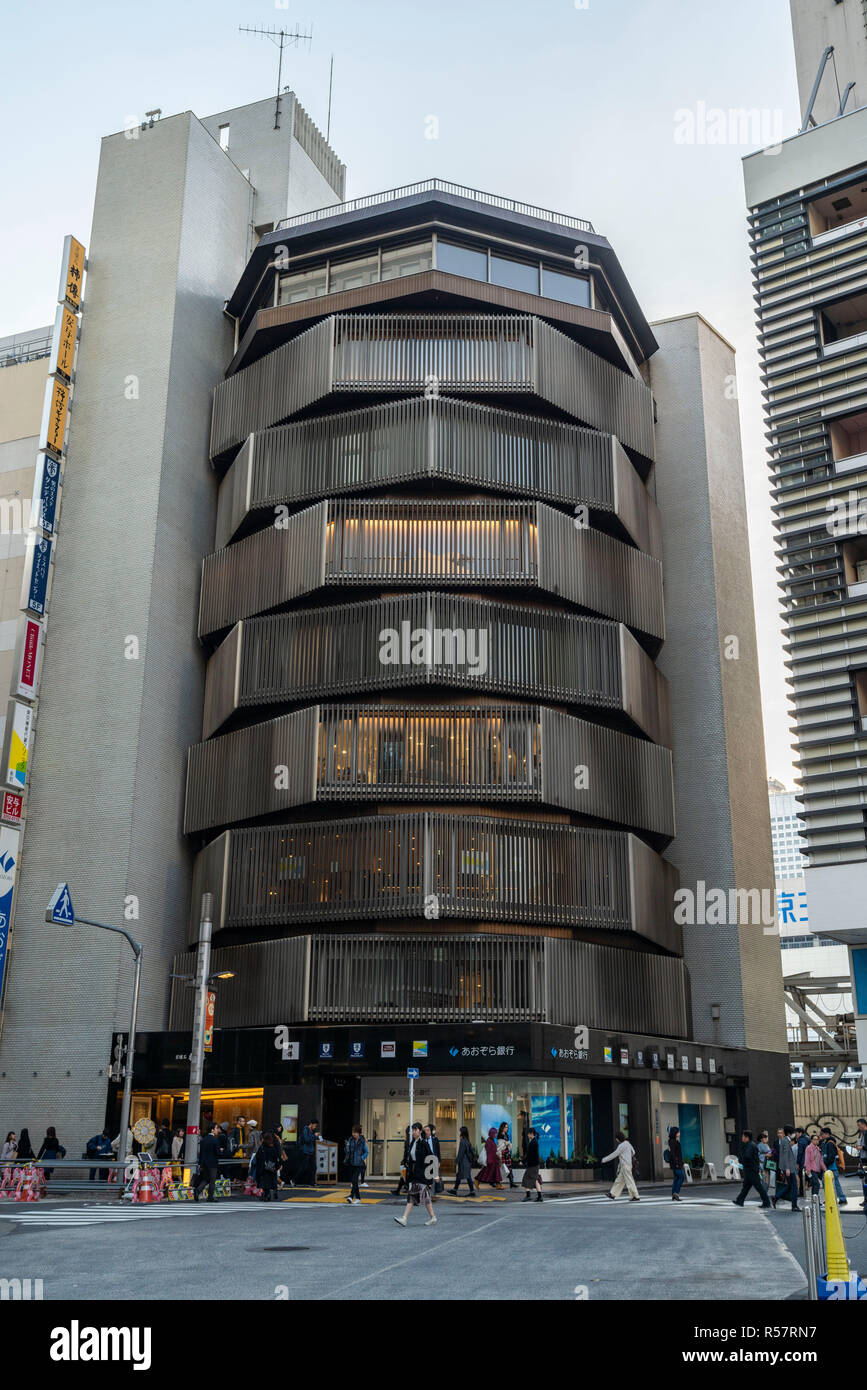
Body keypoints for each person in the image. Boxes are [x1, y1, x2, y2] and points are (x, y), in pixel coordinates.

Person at [393, 1122, 436, 1227]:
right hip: (414, 1173)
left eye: (415, 1130)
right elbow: (411, 1159)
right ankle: (433, 1217)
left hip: (421, 1174)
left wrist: (433, 1175)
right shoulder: (412, 1143)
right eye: (412, 1130)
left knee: (412, 1195)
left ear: (420, 1131)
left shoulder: (424, 1144)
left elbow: (431, 1159)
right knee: (426, 1197)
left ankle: (404, 1218)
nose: (413, 1132)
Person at [732, 1129, 771, 1209]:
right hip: (750, 1169)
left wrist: (740, 1160)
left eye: (743, 1136)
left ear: (747, 1137)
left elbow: (747, 1156)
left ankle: (766, 1202)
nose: (742, 1138)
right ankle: (740, 1200)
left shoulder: (750, 1145)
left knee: (759, 1187)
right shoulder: (749, 1145)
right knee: (746, 1187)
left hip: (752, 1170)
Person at [603, 1130, 640, 1202]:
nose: (616, 1140)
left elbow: (614, 1154)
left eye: (616, 1138)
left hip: (625, 1165)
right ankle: (612, 1194)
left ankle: (636, 1196)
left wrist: (604, 1159)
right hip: (627, 1165)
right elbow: (633, 1152)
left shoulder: (621, 1146)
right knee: (619, 1180)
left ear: (618, 1138)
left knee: (629, 1181)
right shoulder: (628, 1143)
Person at [817, 1127, 847, 1206]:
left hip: (829, 1169)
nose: (821, 1136)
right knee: (836, 1184)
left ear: (827, 1134)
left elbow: (830, 1157)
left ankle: (830, 1200)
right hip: (833, 1168)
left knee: (827, 1185)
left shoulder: (829, 1143)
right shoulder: (828, 1142)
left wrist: (824, 1166)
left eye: (822, 1134)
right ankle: (842, 1198)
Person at [192, 1123, 222, 1202]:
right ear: (212, 1130)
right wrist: (221, 1151)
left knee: (206, 1179)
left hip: (204, 1163)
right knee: (212, 1180)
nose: (217, 1130)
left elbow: (201, 1153)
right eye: (216, 1128)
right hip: (213, 1163)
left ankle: (198, 1190)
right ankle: (210, 1197)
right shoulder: (215, 1140)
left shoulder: (203, 1140)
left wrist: (200, 1164)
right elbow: (218, 1153)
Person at [773, 1126, 800, 1212]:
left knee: (790, 1186)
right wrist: (787, 1168)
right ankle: (794, 1206)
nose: (795, 1134)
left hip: (789, 1167)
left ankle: (776, 1197)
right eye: (793, 1133)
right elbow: (784, 1156)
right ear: (789, 1133)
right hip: (788, 1168)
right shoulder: (785, 1141)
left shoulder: (786, 1141)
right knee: (794, 1187)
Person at [345, 1125, 368, 1204]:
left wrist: (362, 1158)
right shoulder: (350, 1140)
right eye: (353, 1132)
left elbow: (366, 1152)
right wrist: (346, 1149)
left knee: (354, 1180)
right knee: (354, 1182)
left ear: (359, 1133)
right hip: (351, 1162)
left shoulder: (362, 1141)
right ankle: (358, 1198)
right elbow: (348, 1151)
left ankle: (351, 1196)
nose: (353, 1134)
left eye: (355, 1133)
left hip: (359, 1164)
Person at [451, 1126, 476, 1196]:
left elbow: (461, 1153)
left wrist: (456, 1161)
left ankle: (472, 1191)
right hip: (467, 1162)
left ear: (462, 1132)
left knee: (467, 1177)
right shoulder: (467, 1140)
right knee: (460, 1176)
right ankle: (455, 1190)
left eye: (460, 1131)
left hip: (464, 1162)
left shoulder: (463, 1141)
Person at [256, 1131, 281, 1202]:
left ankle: (266, 1194)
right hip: (271, 1168)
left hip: (263, 1168)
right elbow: (276, 1159)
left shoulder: (261, 1148)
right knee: (271, 1181)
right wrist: (277, 1167)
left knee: (264, 1182)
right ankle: (272, 1192)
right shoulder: (273, 1149)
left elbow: (257, 1158)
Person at [521, 1127, 543, 1202]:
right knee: (535, 1180)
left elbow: (529, 1155)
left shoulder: (533, 1142)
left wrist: (523, 1161)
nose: (527, 1135)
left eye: (528, 1133)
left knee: (526, 1179)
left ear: (531, 1134)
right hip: (535, 1164)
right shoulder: (534, 1141)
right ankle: (540, 1197)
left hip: (532, 1165)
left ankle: (528, 1196)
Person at [297, 1120, 319, 1187]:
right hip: (306, 1151)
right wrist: (314, 1136)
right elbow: (306, 1139)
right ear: (311, 1124)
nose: (315, 1127)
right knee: (303, 1167)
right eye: (315, 1125)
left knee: (313, 1167)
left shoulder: (312, 1131)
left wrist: (316, 1137)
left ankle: (312, 1183)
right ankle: (294, 1180)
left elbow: (311, 1140)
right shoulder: (306, 1129)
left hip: (311, 1151)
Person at [804, 1132, 827, 1197]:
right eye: (814, 1139)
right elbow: (807, 1160)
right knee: (817, 1184)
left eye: (817, 1139)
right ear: (811, 1140)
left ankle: (815, 1201)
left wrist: (825, 1169)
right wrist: (808, 1170)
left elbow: (820, 1160)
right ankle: (815, 1200)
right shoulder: (809, 1148)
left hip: (817, 1170)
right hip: (811, 1170)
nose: (816, 1141)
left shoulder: (817, 1148)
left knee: (814, 1185)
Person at [391, 1126, 411, 1196]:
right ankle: (398, 1190)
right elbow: (406, 1152)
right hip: (407, 1161)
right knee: (403, 1176)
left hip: (408, 1162)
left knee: (405, 1176)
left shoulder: (409, 1141)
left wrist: (404, 1160)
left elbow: (406, 1152)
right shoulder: (408, 1141)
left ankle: (401, 1190)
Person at [424, 1123, 443, 1195]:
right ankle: (426, 1193)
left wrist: (439, 1161)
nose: (426, 1132)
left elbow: (438, 1151)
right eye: (425, 1130)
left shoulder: (435, 1139)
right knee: (427, 1178)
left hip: (434, 1160)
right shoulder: (423, 1140)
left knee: (435, 1178)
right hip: (426, 1161)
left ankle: (433, 1194)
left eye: (427, 1130)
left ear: (430, 1131)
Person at [496, 1121, 516, 1190]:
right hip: (503, 1154)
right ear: (502, 1128)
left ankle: (512, 1183)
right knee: (502, 1169)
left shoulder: (506, 1135)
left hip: (507, 1154)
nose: (507, 1128)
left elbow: (507, 1144)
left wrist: (508, 1144)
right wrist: (500, 1155)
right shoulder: (500, 1135)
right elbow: (500, 1146)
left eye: (507, 1127)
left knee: (509, 1168)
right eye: (505, 1127)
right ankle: (498, 1183)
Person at [667, 1125, 685, 1202]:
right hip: (676, 1164)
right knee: (681, 1177)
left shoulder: (673, 1141)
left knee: (676, 1178)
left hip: (676, 1163)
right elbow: (673, 1154)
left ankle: (673, 1194)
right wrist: (677, 1163)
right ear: (675, 1133)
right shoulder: (673, 1142)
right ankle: (676, 1193)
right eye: (678, 1132)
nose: (679, 1133)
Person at [795, 1127, 810, 1196]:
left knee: (801, 1176)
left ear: (800, 1133)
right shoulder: (808, 1138)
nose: (795, 1135)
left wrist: (798, 1163)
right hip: (809, 1160)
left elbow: (800, 1153)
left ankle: (801, 1192)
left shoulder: (801, 1140)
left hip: (803, 1161)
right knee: (807, 1174)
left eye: (796, 1133)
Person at [856, 1117, 867, 1210]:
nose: (859, 1127)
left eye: (859, 1125)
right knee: (864, 1180)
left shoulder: (866, 1134)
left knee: (866, 1180)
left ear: (864, 1124)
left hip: (866, 1160)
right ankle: (865, 1199)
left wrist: (862, 1147)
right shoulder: (863, 1134)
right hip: (863, 1160)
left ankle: (866, 1199)